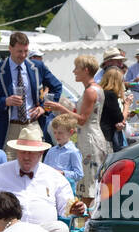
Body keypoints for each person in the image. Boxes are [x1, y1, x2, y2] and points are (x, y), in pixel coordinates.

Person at [0, 124, 87, 232]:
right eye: (23, 152)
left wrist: (76, 208)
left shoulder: (53, 176)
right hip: (7, 230)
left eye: (32, 153)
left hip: (42, 231)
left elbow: (66, 207)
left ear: (41, 153)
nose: (26, 157)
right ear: (17, 151)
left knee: (60, 229)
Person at [0, 31, 63, 154]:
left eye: (26, 51)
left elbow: (57, 87)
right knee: (9, 166)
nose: (23, 55)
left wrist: (43, 108)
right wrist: (5, 101)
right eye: (20, 51)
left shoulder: (37, 67)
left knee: (34, 163)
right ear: (10, 48)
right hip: (9, 127)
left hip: (32, 125)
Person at [44, 54, 111, 199]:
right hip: (92, 135)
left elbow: (81, 120)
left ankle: (87, 218)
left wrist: (60, 108)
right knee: (92, 181)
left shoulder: (90, 91)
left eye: (77, 68)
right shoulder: (96, 88)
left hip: (89, 139)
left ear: (86, 70)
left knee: (88, 185)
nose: (74, 71)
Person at [43, 113, 84, 192]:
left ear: (71, 132)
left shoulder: (73, 152)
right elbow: (45, 167)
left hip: (66, 190)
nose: (57, 136)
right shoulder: (51, 150)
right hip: (51, 188)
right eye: (55, 132)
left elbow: (79, 174)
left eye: (60, 133)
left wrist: (63, 173)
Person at [99, 68, 128, 152]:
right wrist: (126, 105)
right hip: (107, 135)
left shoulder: (100, 92)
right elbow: (120, 119)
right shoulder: (110, 95)